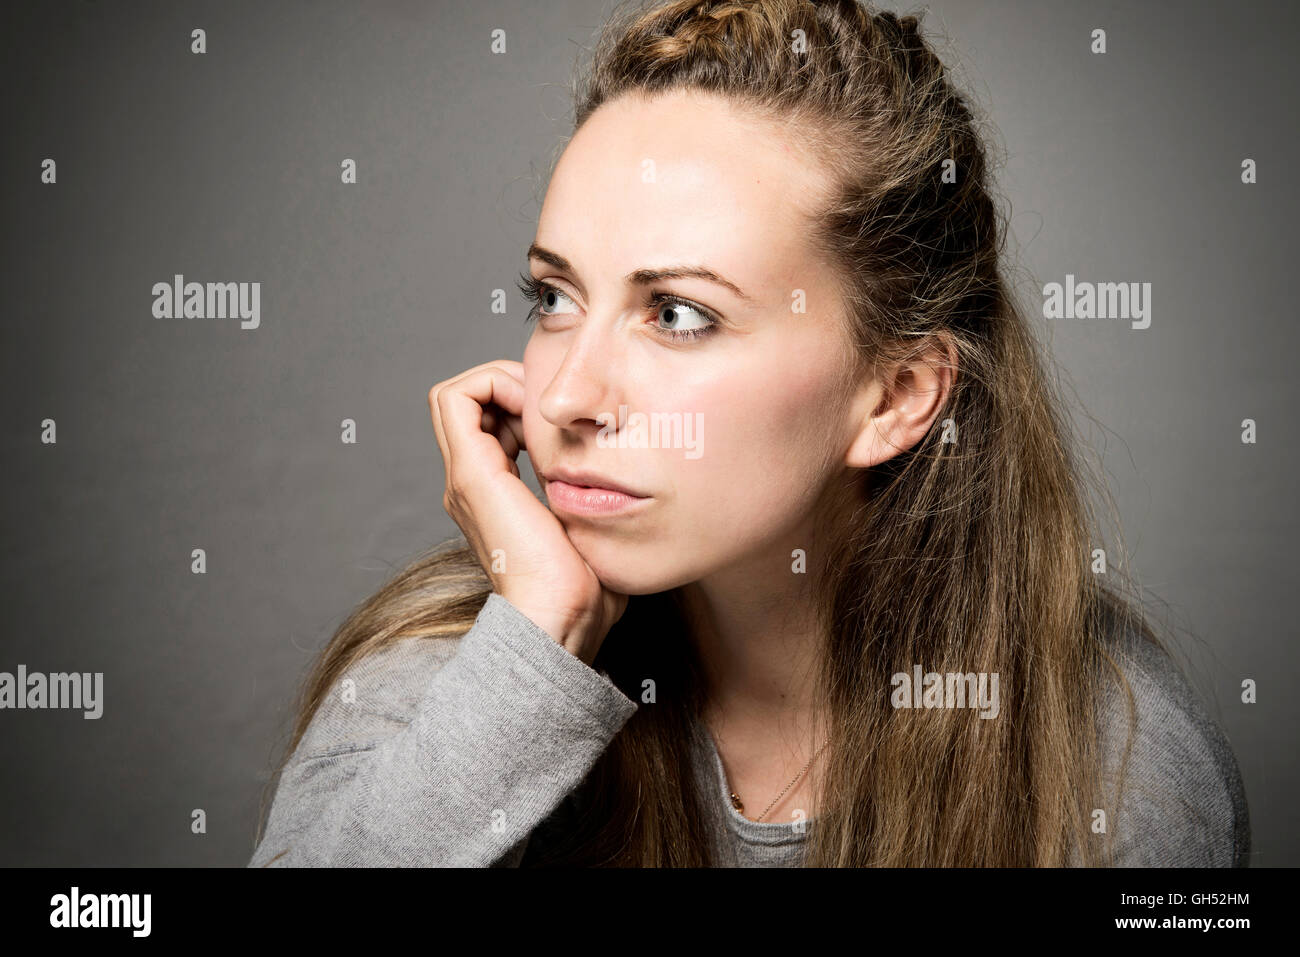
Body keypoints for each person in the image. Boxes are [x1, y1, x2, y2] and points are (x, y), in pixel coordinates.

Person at [249, 0, 1248, 867]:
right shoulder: (449, 678)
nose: (563, 400)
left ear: (895, 396)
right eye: (553, 297)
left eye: (679, 313)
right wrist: (533, 648)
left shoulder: (1109, 762)